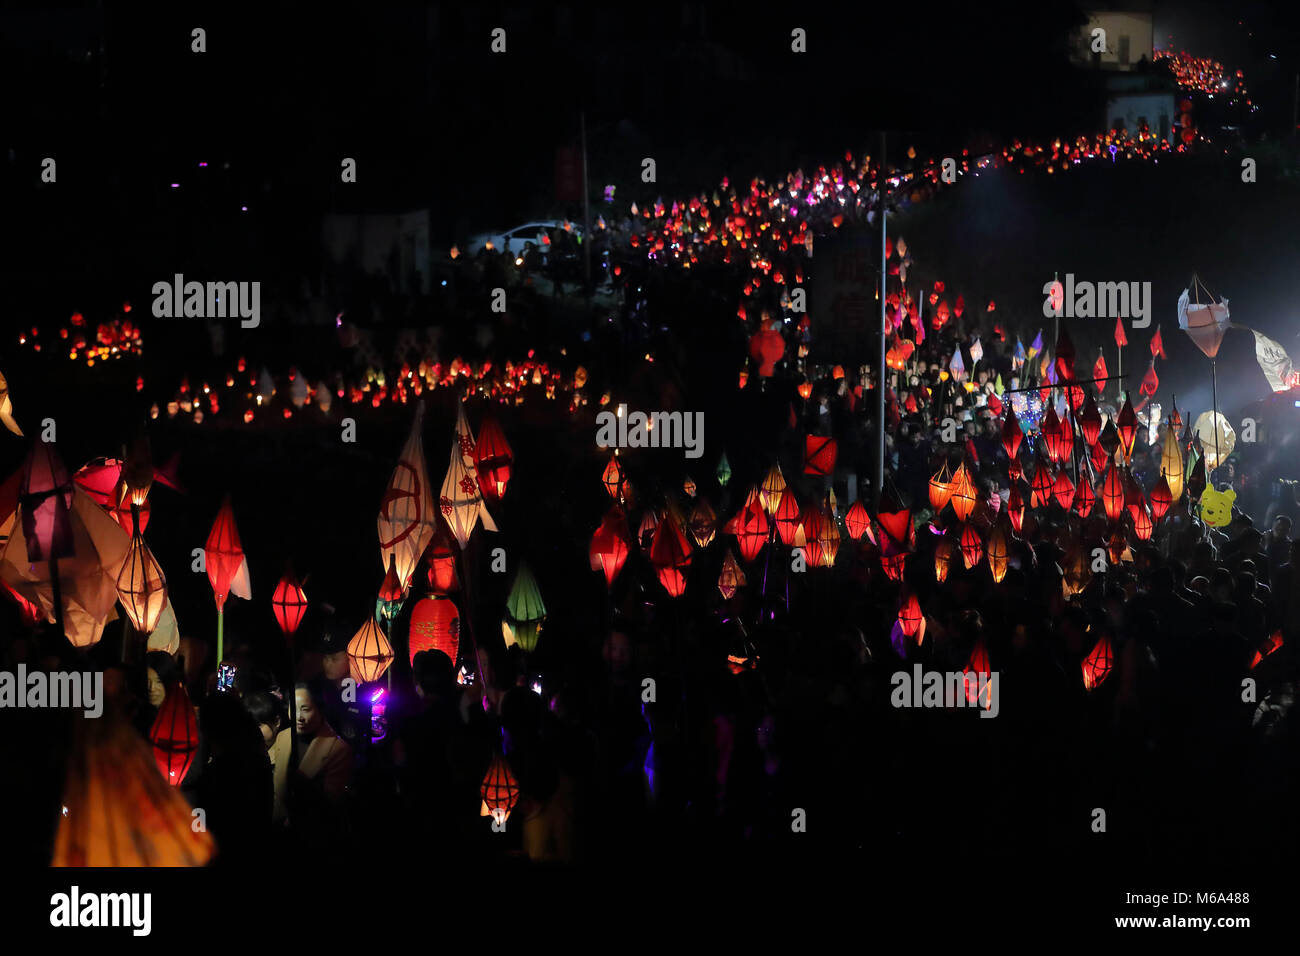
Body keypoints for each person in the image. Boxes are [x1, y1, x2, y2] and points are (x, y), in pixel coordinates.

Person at [244, 691, 292, 826]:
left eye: (258, 725)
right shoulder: (250, 751)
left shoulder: (287, 749)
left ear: (277, 721)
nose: (252, 732)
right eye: (248, 726)